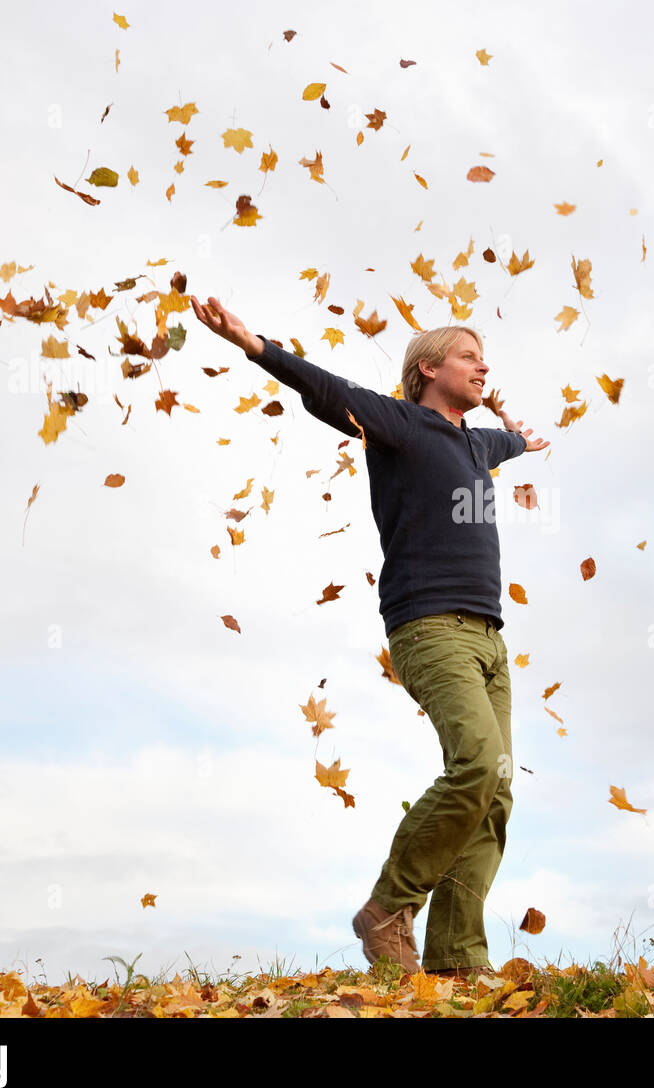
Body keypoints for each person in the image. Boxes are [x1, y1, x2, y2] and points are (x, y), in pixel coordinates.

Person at [191, 295, 549, 980]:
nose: (483, 365)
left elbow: (509, 442)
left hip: (490, 638)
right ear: (428, 368)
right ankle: (388, 906)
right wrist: (254, 344)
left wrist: (518, 434)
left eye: (484, 358)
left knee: (496, 790)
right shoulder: (403, 426)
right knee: (475, 763)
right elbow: (331, 391)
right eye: (469, 356)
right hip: (431, 627)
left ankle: (456, 959)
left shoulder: (477, 441)